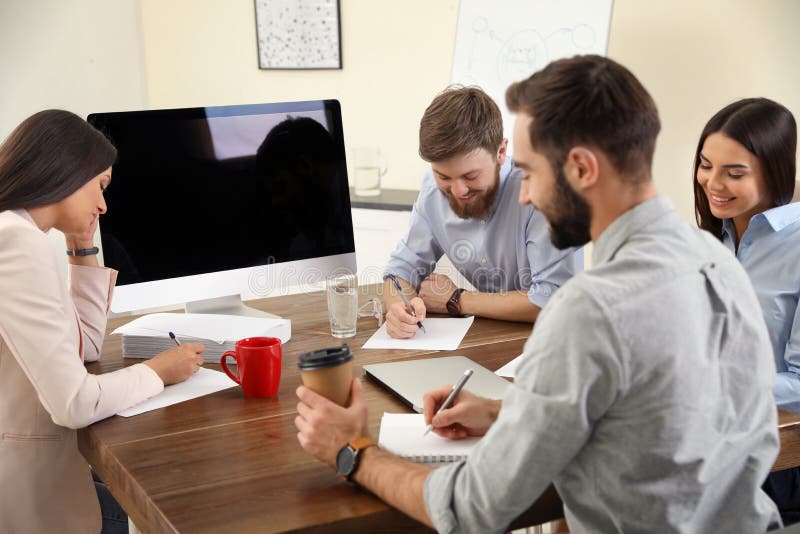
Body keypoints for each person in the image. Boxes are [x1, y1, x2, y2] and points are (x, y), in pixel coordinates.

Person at [295, 55, 782, 533]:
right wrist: (510, 413)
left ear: (581, 169)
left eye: (528, 173)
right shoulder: (720, 260)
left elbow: (467, 510)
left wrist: (353, 449)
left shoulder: (588, 310)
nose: (523, 195)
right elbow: (682, 422)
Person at [0, 110, 206, 533]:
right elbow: (75, 403)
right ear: (67, 170)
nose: (103, 204)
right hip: (30, 494)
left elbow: (86, 347)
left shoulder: (21, 233)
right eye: (100, 186)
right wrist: (157, 371)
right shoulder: (18, 243)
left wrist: (81, 242)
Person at [383, 86, 581, 339]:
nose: (458, 190)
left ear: (500, 152)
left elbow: (553, 298)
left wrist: (458, 299)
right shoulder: (432, 191)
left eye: (470, 176)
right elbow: (400, 271)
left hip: (558, 340)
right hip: (488, 339)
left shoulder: (540, 191)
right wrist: (399, 309)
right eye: (443, 176)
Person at [693, 97, 800, 525]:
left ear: (775, 172)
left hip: (774, 455)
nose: (712, 183)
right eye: (705, 165)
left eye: (734, 173)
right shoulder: (710, 239)